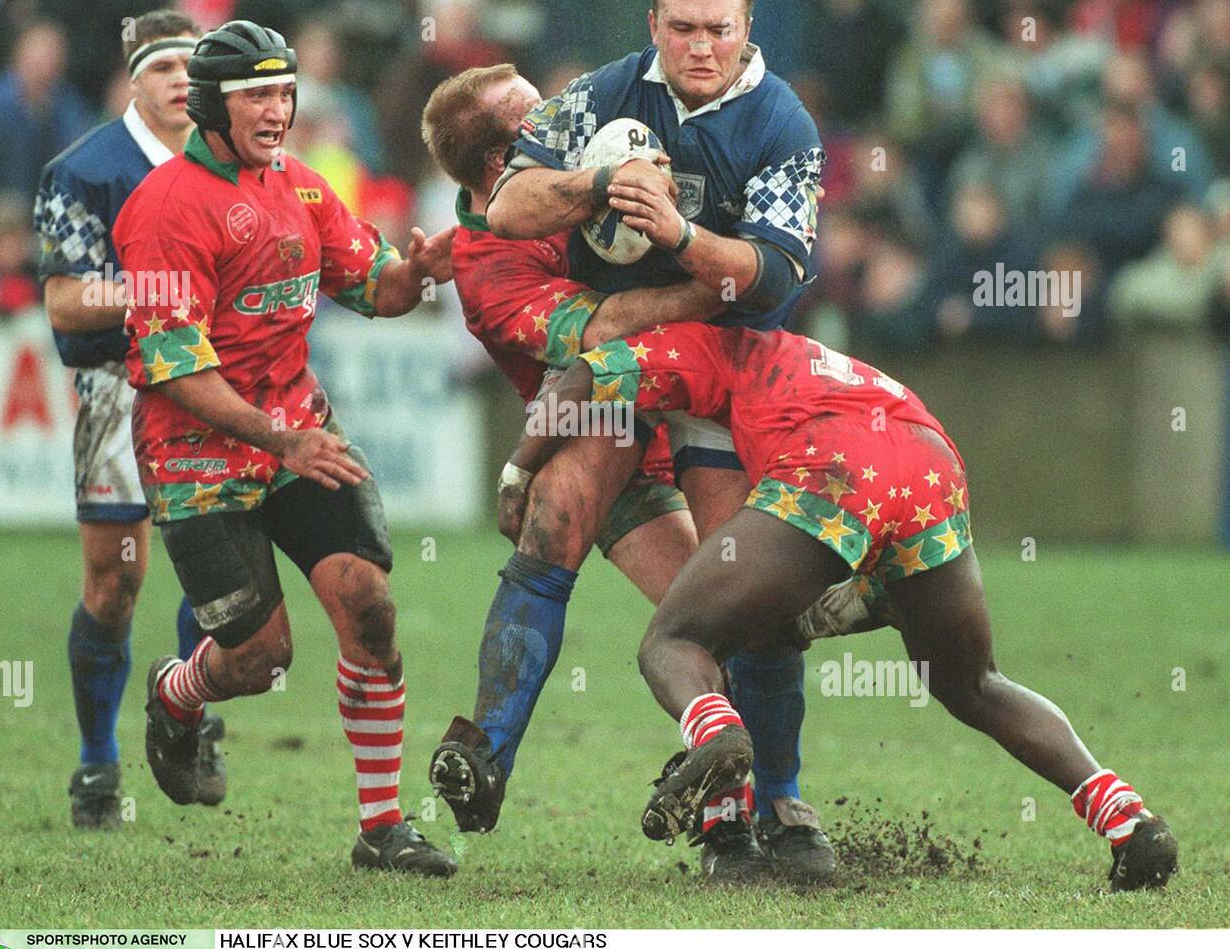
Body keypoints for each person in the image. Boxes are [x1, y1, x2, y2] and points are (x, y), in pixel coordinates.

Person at [500, 320, 1179, 893]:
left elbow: (583, 377)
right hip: (929, 461)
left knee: (673, 644)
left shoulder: (701, 345)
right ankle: (1127, 817)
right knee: (973, 682)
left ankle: (716, 736)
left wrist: (519, 470)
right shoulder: (811, 355)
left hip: (834, 466)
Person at [463, 0, 838, 880]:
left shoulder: (783, 126)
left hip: (721, 369)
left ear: (748, 32)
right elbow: (513, 204)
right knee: (553, 520)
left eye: (719, 29)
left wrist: (677, 236)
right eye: (682, 28)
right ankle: (483, 754)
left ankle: (771, 808)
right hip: (615, 371)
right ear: (653, 29)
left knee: (751, 597)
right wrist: (601, 187)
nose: (701, 45)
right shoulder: (602, 95)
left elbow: (776, 277)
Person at [113, 21, 457, 877]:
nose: (277, 111)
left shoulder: (302, 188)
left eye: (285, 92)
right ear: (209, 106)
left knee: (369, 607)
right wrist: (281, 438)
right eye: (256, 95)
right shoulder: (161, 211)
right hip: (198, 459)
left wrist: (417, 273)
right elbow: (172, 370)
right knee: (261, 661)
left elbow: (372, 285)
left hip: (298, 435)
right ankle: (177, 694)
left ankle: (382, 829)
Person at [35, 9, 218, 830]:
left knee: (219, 576)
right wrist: (158, 295)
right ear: (132, 81)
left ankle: (189, 721)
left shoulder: (236, 161)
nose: (183, 80)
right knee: (116, 582)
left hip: (216, 385)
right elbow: (69, 303)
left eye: (194, 65)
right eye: (165, 66)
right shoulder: (84, 170)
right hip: (120, 387)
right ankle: (96, 764)